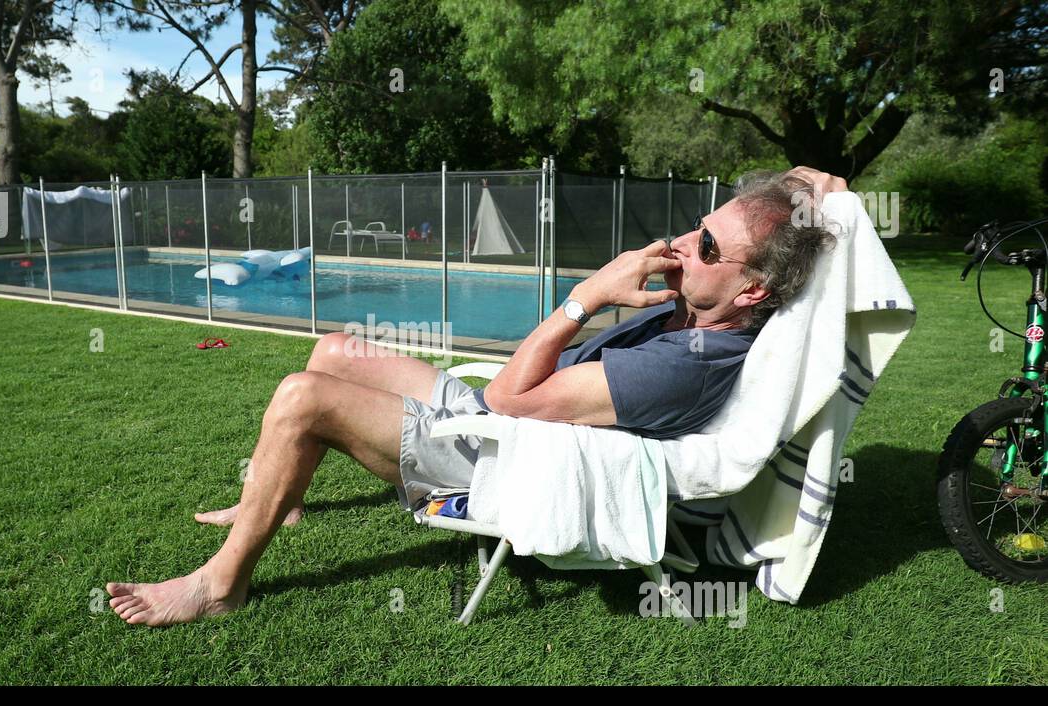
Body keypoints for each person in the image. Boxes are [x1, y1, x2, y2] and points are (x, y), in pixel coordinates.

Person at [105, 167, 845, 626]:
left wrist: (584, 298)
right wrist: (814, 186)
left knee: (305, 396)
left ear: (752, 288)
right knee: (336, 349)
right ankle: (281, 493)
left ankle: (220, 582)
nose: (685, 245)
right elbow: (788, 205)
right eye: (695, 229)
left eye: (707, 247)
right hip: (503, 419)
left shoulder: (686, 363)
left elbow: (508, 396)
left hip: (505, 455)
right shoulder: (700, 305)